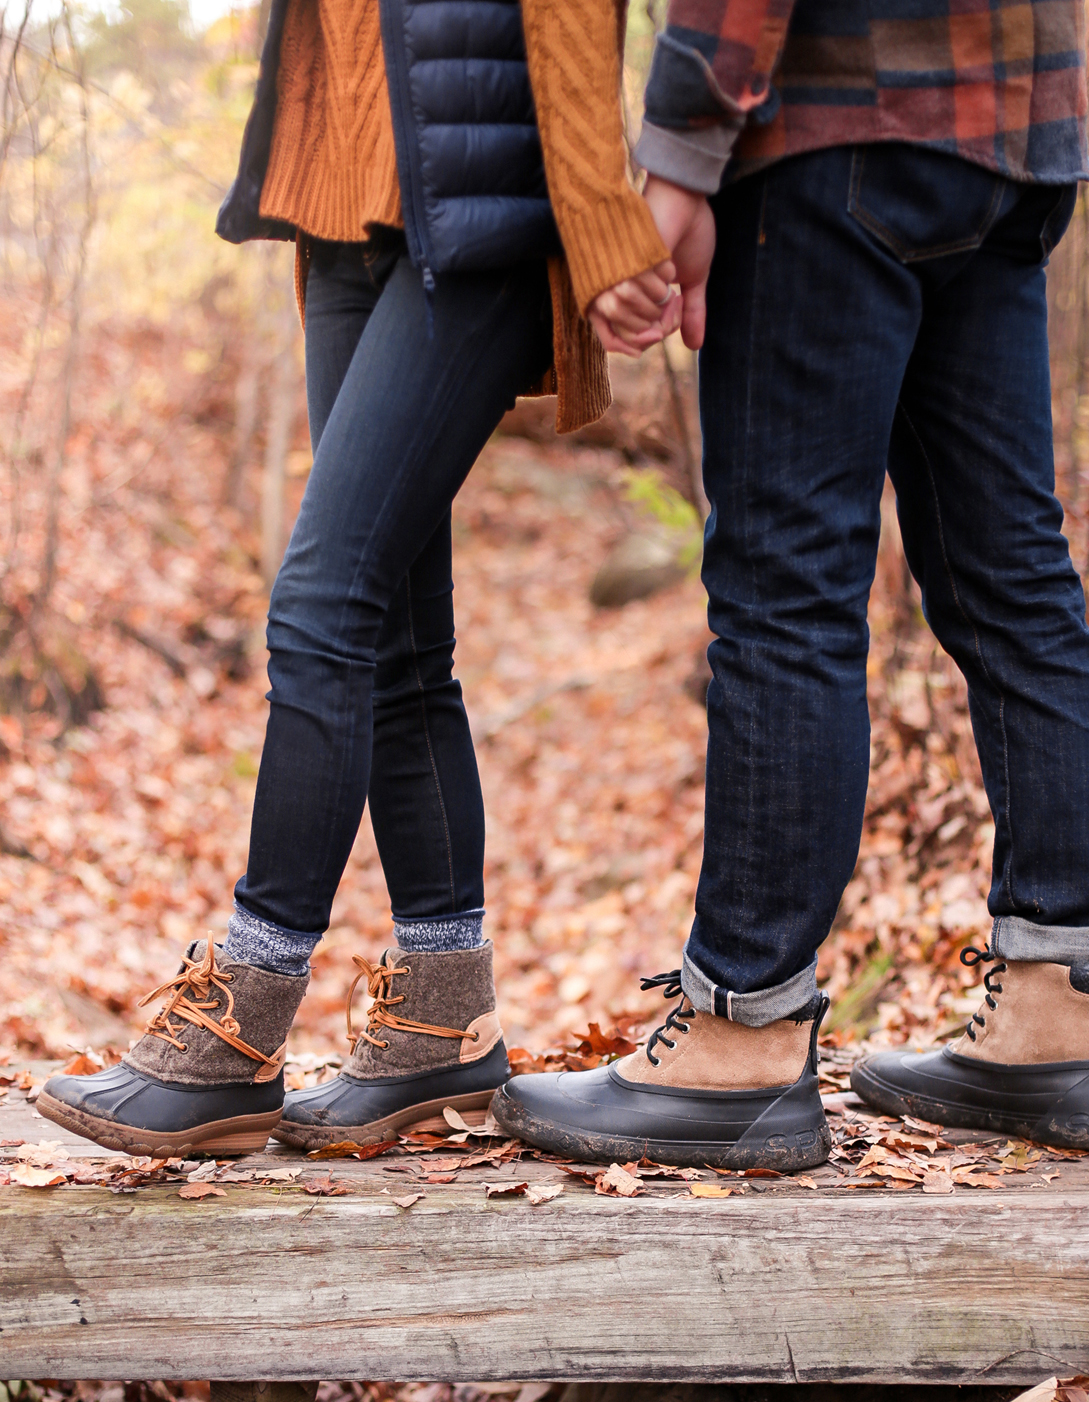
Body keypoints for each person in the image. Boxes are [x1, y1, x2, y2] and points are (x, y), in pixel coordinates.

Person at [493, 0, 1089, 1167]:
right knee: (1013, 579)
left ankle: (742, 1032)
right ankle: (1062, 1018)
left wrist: (684, 146)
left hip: (838, 120)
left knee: (786, 595)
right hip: (1017, 136)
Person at [37, 0, 680, 1157]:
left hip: (484, 192)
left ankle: (236, 1029)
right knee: (390, 634)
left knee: (323, 608)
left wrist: (601, 216)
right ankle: (442, 1012)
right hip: (338, 189)